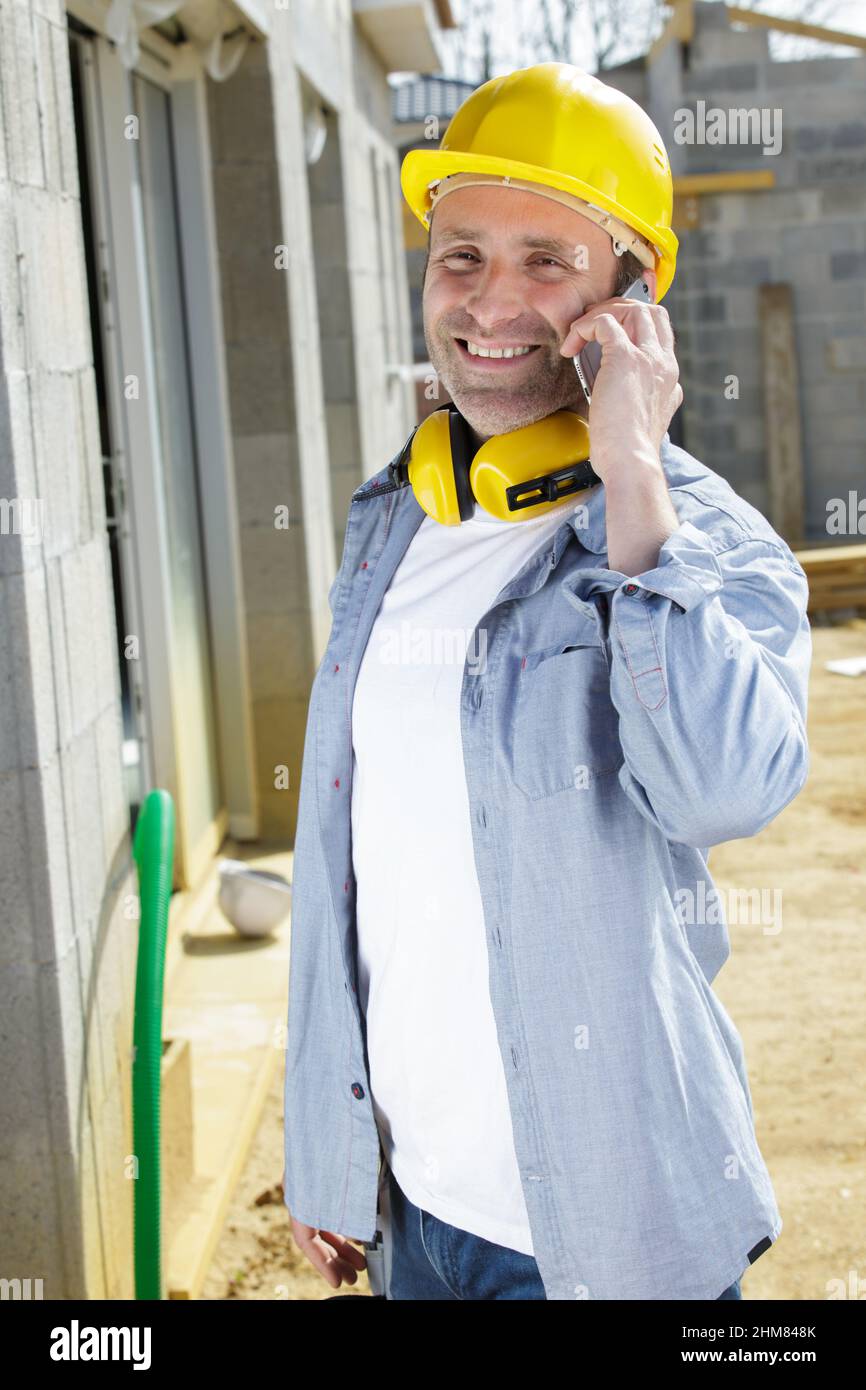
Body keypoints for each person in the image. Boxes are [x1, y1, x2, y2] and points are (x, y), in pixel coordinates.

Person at [281, 63, 811, 1300]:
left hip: (605, 1235)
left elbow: (723, 791)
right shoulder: (391, 522)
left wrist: (632, 475)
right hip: (416, 1214)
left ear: (630, 297)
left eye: (547, 260)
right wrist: (328, 1144)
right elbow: (347, 859)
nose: (490, 300)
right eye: (460, 254)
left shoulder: (704, 542)